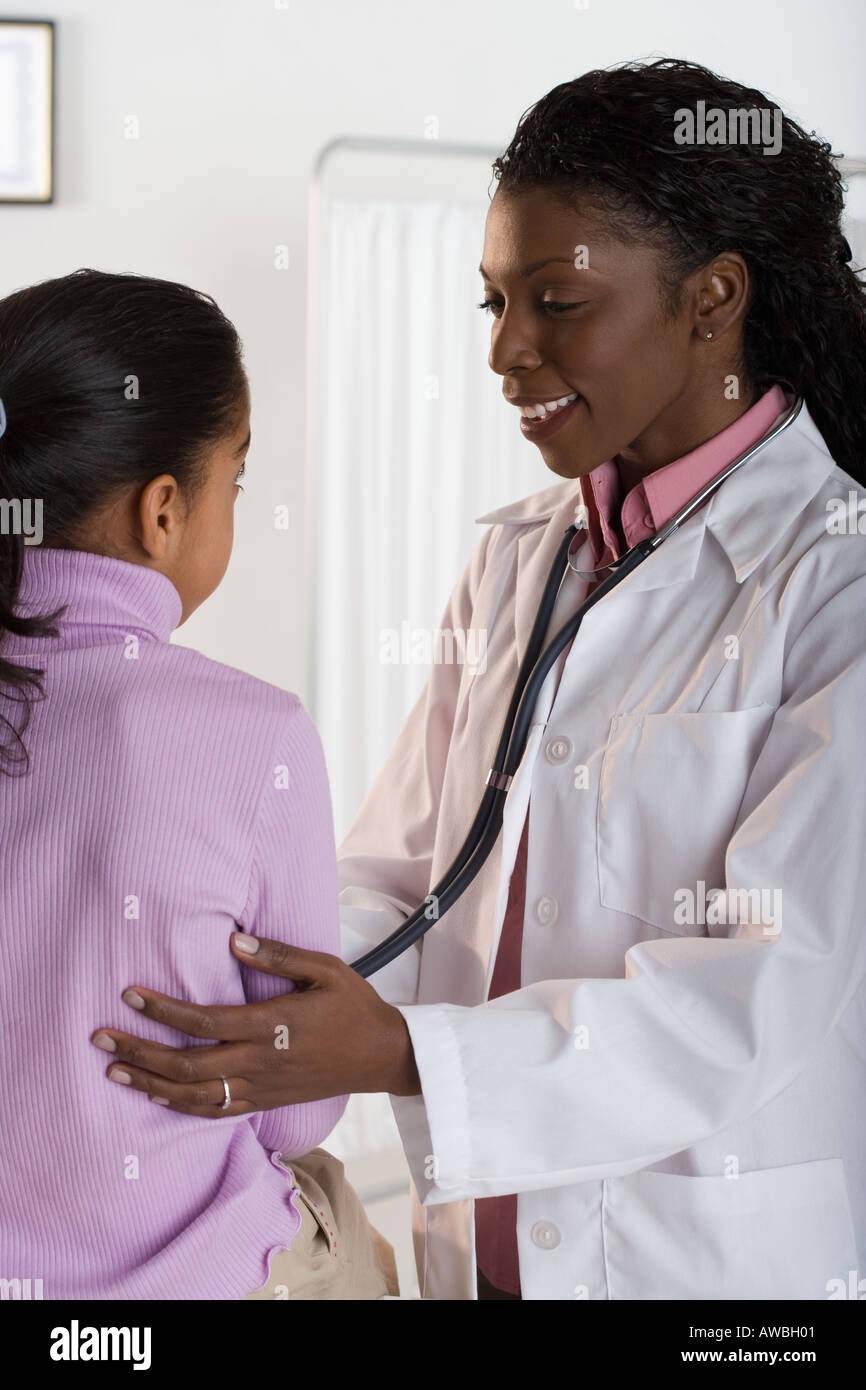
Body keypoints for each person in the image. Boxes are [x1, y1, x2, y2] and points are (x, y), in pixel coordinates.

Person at [92, 59, 866, 1300]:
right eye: (493, 302)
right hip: (480, 1255)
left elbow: (755, 989)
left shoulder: (836, 584)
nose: (508, 350)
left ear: (712, 297)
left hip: (700, 1273)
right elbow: (404, 870)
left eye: (555, 301)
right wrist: (228, 988)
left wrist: (397, 1051)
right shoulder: (523, 558)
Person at [0, 269, 398, 1300]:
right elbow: (287, 1105)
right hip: (185, 1286)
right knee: (358, 1231)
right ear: (164, 510)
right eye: (237, 480)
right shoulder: (250, 733)